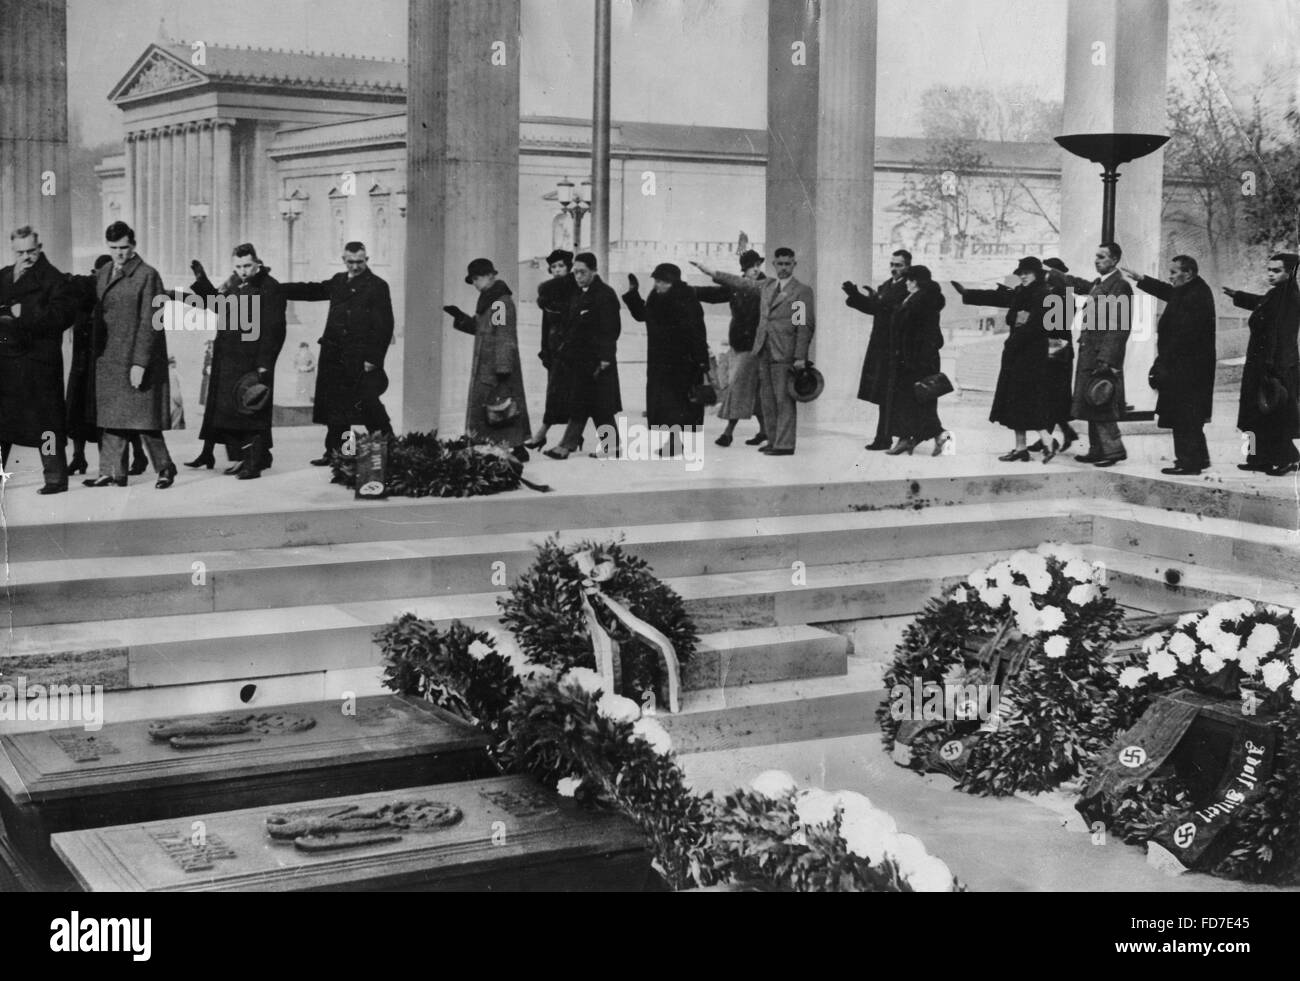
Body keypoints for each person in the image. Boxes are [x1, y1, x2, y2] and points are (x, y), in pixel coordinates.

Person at [281, 242, 394, 464]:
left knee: (367, 406)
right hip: (334, 356)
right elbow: (312, 290)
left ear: (367, 259)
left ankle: (390, 449)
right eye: (350, 262)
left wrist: (373, 359)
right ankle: (340, 454)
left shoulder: (377, 286)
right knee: (337, 409)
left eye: (359, 262)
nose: (355, 266)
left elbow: (385, 325)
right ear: (344, 260)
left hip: (359, 359)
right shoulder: (338, 281)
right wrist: (279, 288)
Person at [695, 247, 813, 456]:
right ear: (775, 265)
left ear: (794, 265)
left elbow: (802, 325)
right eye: (780, 263)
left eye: (788, 263)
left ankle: (784, 444)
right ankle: (773, 439)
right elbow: (741, 283)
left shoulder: (799, 291)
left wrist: (800, 356)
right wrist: (712, 272)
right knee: (767, 399)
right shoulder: (767, 286)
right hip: (762, 350)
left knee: (783, 400)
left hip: (783, 352)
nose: (783, 267)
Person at [85, 221, 176, 489]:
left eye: (124, 247)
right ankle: (112, 472)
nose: (119, 254)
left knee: (143, 420)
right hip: (110, 357)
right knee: (112, 419)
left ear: (133, 245)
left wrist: (140, 362)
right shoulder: (103, 272)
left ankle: (165, 467)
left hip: (136, 356)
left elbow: (151, 321)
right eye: (113, 248)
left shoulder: (148, 275)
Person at [188, 244, 288, 480]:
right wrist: (202, 282)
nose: (242, 271)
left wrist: (265, 363)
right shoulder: (234, 284)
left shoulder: (269, 287)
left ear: (258, 263)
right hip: (230, 359)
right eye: (238, 266)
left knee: (252, 410)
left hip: (253, 361)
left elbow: (275, 330)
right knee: (235, 412)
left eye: (247, 266)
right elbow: (216, 305)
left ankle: (253, 465)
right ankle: (246, 459)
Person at [954, 257, 1057, 462]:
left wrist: (1019, 322)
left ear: (1037, 273)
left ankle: (1046, 438)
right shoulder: (1021, 291)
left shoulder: (1044, 293)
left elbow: (1035, 326)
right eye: (1020, 273)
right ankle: (1020, 448)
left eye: (1027, 272)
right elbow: (1003, 304)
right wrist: (967, 293)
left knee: (1028, 400)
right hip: (1016, 354)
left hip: (1031, 355)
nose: (1023, 276)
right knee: (1015, 401)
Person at [1123, 255, 1216, 475]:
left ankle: (1188, 462)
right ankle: (1199, 458)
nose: (1170, 276)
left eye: (1174, 272)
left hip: (1186, 369)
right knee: (1188, 416)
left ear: (1189, 273)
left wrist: (1162, 361)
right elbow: (1168, 291)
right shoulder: (1192, 289)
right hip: (1188, 367)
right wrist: (1142, 279)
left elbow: (1183, 336)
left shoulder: (1195, 295)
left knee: (1184, 416)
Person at [0, 226, 77, 494]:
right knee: (3, 423)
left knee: (47, 424)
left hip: (39, 363)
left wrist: (26, 313)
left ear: (40, 247)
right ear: (14, 251)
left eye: (31, 251)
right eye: (20, 252)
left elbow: (62, 316)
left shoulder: (54, 279)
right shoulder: (5, 276)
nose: (26, 257)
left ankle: (56, 478)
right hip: (8, 362)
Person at [1048, 241, 1132, 467]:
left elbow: (1119, 326)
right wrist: (1054, 274)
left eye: (1102, 257)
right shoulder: (1100, 283)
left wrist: (1107, 359)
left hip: (1101, 355)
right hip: (1091, 353)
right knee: (1092, 402)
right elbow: (1076, 283)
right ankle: (1097, 449)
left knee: (1102, 401)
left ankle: (1114, 450)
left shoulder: (1120, 286)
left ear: (1114, 260)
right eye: (1096, 256)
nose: (1097, 260)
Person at [442, 257, 531, 459]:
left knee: (503, 406)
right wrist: (460, 317)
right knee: (495, 406)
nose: (474, 283)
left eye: (477, 278)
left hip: (496, 365)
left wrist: (502, 367)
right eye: (472, 279)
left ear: (491, 275)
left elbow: (503, 334)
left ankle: (516, 446)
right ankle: (501, 444)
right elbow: (481, 328)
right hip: (488, 363)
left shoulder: (499, 302)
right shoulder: (490, 300)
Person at [1224, 252, 1300, 477]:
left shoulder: (1288, 297)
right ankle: (1258, 458)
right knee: (1256, 414)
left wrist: (1271, 367)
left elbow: (1280, 335)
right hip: (1263, 363)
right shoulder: (1277, 294)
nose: (1270, 274)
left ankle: (1288, 458)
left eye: (1276, 270)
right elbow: (1260, 303)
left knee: (1274, 415)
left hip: (1274, 365)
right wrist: (1237, 295)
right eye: (1269, 269)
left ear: (1290, 272)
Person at [622, 263, 709, 458]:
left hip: (683, 361)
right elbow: (642, 315)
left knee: (679, 402)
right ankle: (673, 441)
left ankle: (677, 443)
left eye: (663, 282)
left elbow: (697, 331)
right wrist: (633, 294)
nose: (658, 285)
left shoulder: (687, 300)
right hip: (660, 360)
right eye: (657, 281)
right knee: (664, 402)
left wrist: (702, 360)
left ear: (674, 282)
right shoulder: (655, 298)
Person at [544, 252, 622, 460]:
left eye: (582, 272)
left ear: (594, 270)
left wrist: (605, 358)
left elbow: (611, 329)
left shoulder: (605, 294)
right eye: (575, 272)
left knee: (585, 402)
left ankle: (566, 446)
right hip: (580, 359)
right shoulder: (580, 294)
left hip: (597, 360)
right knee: (597, 405)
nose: (578, 276)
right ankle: (611, 446)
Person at [691, 249, 766, 448]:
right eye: (752, 266)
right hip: (738, 344)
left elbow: (798, 315)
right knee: (753, 390)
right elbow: (714, 294)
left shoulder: (765, 286)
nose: (756, 269)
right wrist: (687, 291)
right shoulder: (736, 287)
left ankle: (728, 433)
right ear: (744, 268)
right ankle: (765, 431)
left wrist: (710, 271)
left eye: (759, 265)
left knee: (738, 387)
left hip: (754, 347)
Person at [844, 249, 911, 450]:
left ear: (908, 266)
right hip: (882, 347)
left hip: (895, 348)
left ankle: (891, 437)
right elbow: (875, 307)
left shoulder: (909, 288)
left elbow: (885, 307)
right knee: (884, 394)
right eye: (892, 264)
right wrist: (855, 296)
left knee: (892, 395)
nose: (893, 269)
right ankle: (883, 437)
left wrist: (875, 300)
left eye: (898, 265)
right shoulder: (886, 286)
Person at [886, 265, 949, 456]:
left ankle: (927, 437)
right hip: (914, 359)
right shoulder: (920, 299)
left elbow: (912, 329)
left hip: (916, 361)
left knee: (917, 401)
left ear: (918, 282)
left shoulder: (921, 301)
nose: (907, 283)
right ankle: (909, 439)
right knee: (915, 402)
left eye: (910, 280)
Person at [526, 249, 575, 451]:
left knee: (563, 394)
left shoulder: (573, 290)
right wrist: (544, 350)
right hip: (555, 351)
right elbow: (546, 326)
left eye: (561, 266)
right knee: (559, 393)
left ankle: (543, 433)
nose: (557, 270)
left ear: (569, 267)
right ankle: (569, 436)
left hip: (570, 351)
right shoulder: (549, 294)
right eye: (553, 267)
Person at [1039, 258, 1079, 453]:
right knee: (1054, 395)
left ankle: (1050, 435)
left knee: (1051, 394)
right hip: (1059, 349)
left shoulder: (1062, 295)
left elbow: (1058, 328)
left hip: (1058, 350)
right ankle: (1064, 430)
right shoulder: (1058, 294)